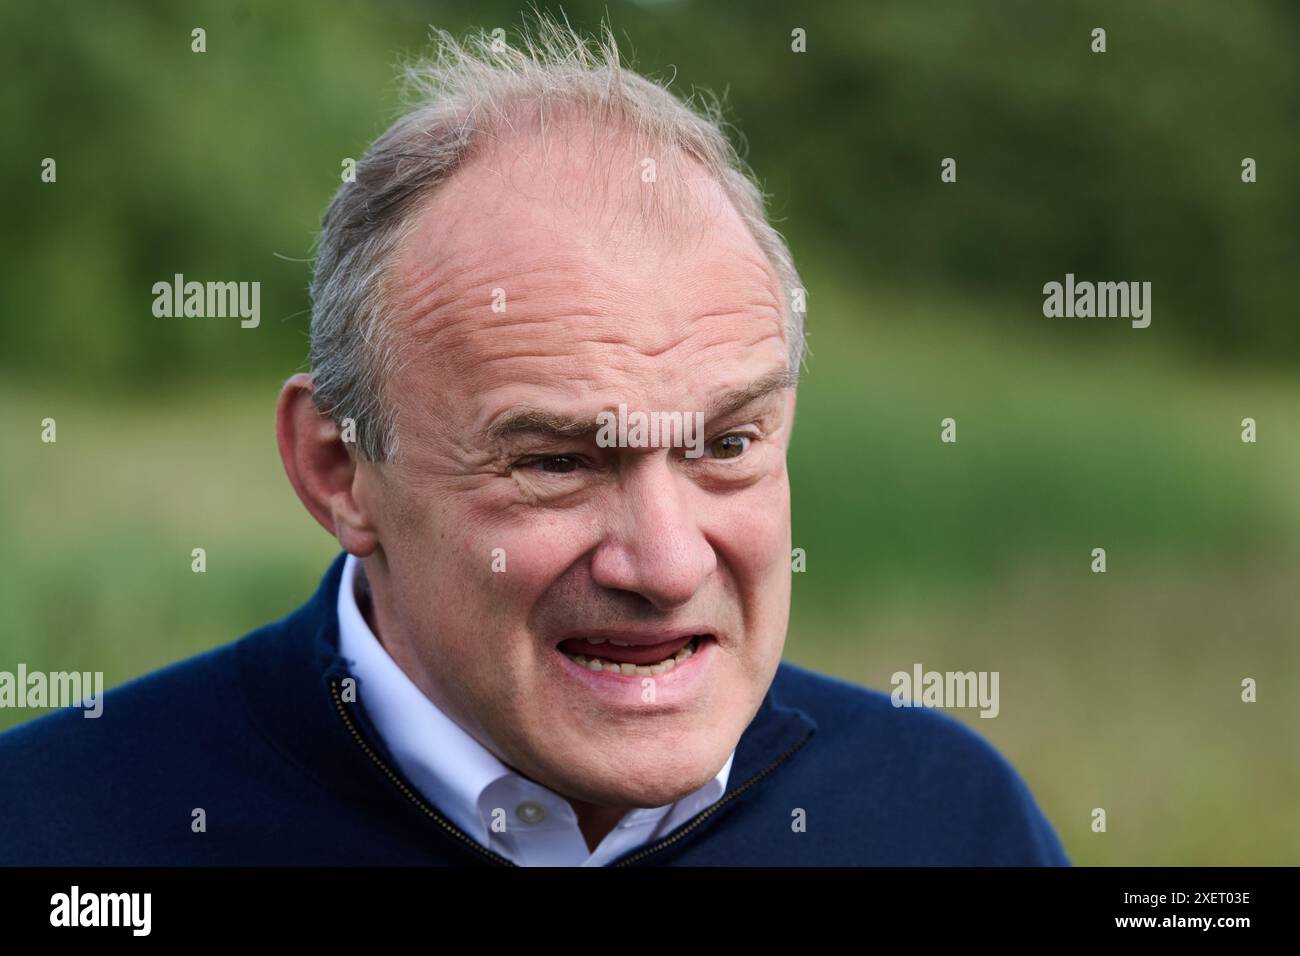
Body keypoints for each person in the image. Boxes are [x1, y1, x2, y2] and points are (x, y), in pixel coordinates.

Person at [0, 17, 1068, 866]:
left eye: (725, 444)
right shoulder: (57, 831)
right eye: (557, 461)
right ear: (337, 470)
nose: (663, 561)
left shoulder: (946, 821)